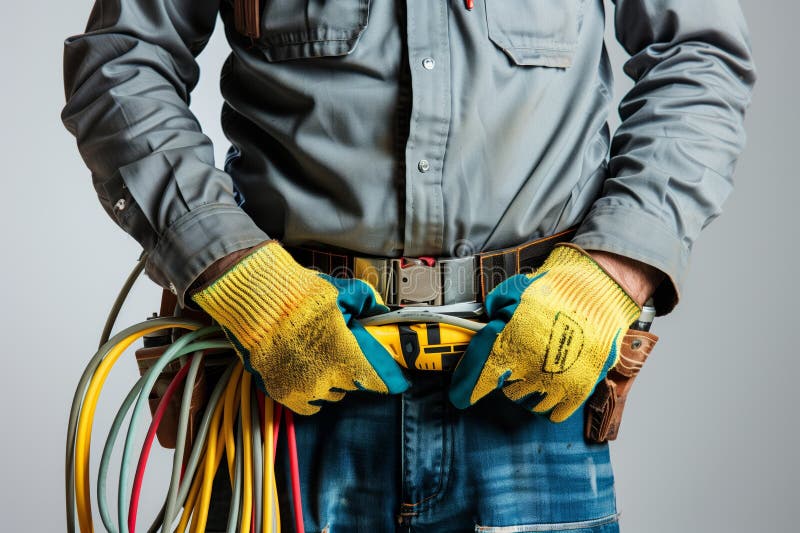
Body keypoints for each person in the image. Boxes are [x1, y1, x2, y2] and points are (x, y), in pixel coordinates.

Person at [61, 1, 755, 531]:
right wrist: (238, 275)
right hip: (284, 381)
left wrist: (611, 272)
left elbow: (698, 56)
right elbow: (122, 60)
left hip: (529, 377)